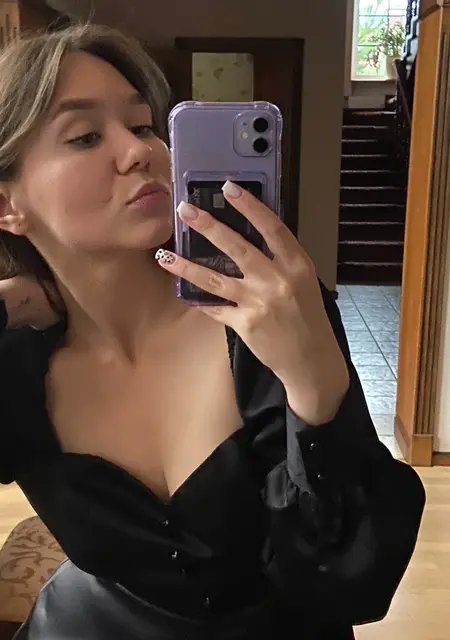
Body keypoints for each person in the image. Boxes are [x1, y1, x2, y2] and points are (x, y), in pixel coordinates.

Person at [0, 22, 424, 640]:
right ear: (7, 205)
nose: (139, 151)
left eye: (144, 125)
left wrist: (316, 385)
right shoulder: (16, 367)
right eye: (86, 136)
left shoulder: (270, 315)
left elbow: (355, 583)